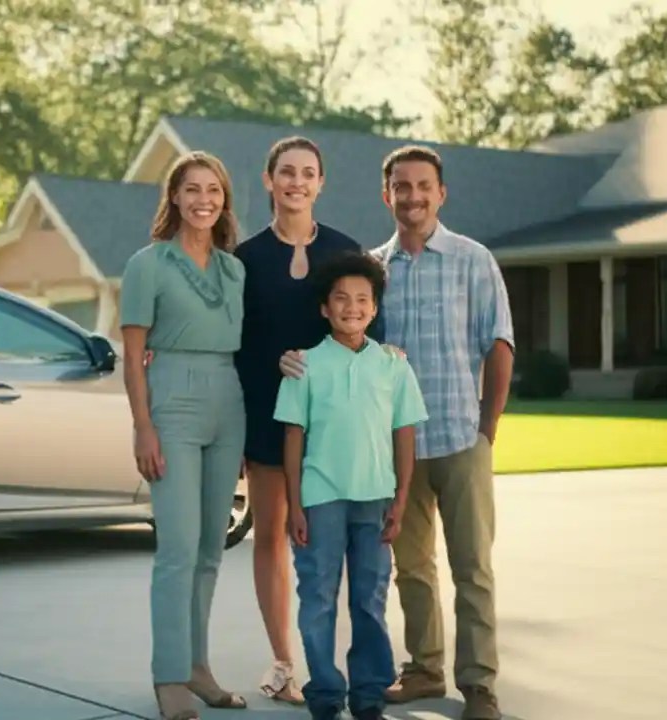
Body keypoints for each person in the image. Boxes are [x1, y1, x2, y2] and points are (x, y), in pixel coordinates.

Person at [279, 145, 514, 720]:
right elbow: (345, 339)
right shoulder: (373, 269)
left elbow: (499, 343)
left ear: (441, 193)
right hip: (391, 452)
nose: (413, 196)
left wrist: (487, 426)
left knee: (472, 567)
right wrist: (290, 359)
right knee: (411, 568)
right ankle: (425, 669)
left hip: (459, 435)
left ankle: (479, 684)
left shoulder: (472, 259)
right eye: (401, 186)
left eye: (423, 185)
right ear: (386, 195)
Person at [232, 135, 382, 705]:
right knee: (271, 536)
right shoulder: (245, 259)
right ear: (269, 180)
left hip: (336, 425)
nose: (296, 182)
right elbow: (234, 342)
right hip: (267, 415)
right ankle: (282, 664)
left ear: (321, 183)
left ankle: (343, 667)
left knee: (336, 549)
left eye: (307, 173)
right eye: (286, 172)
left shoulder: (346, 252)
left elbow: (367, 328)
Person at [119, 150, 250, 720]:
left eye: (213, 190)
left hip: (229, 399)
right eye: (192, 189)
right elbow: (132, 356)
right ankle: (169, 675)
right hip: (171, 398)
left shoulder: (234, 270)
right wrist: (143, 426)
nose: (203, 200)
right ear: (174, 196)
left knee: (210, 549)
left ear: (224, 200)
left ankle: (198, 666)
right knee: (177, 548)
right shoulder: (147, 265)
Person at [275, 251, 428, 720]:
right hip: (320, 499)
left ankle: (368, 693)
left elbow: (404, 434)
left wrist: (401, 499)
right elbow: (293, 437)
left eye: (363, 299)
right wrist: (295, 505)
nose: (352, 307)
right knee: (318, 599)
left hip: (375, 499)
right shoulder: (303, 365)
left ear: (375, 308)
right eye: (341, 298)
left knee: (369, 600)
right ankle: (324, 692)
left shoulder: (393, 366)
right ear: (325, 308)